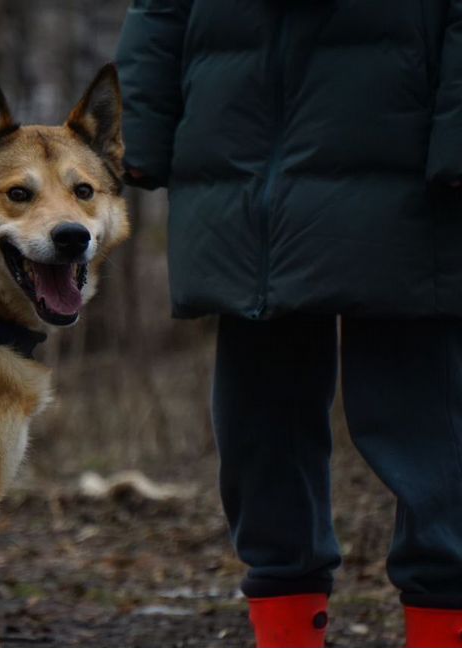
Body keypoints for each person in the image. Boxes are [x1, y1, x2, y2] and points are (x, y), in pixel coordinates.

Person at [115, 2, 462, 647]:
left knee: (429, 436)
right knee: (261, 435)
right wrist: (136, 128)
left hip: (406, 165)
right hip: (242, 165)